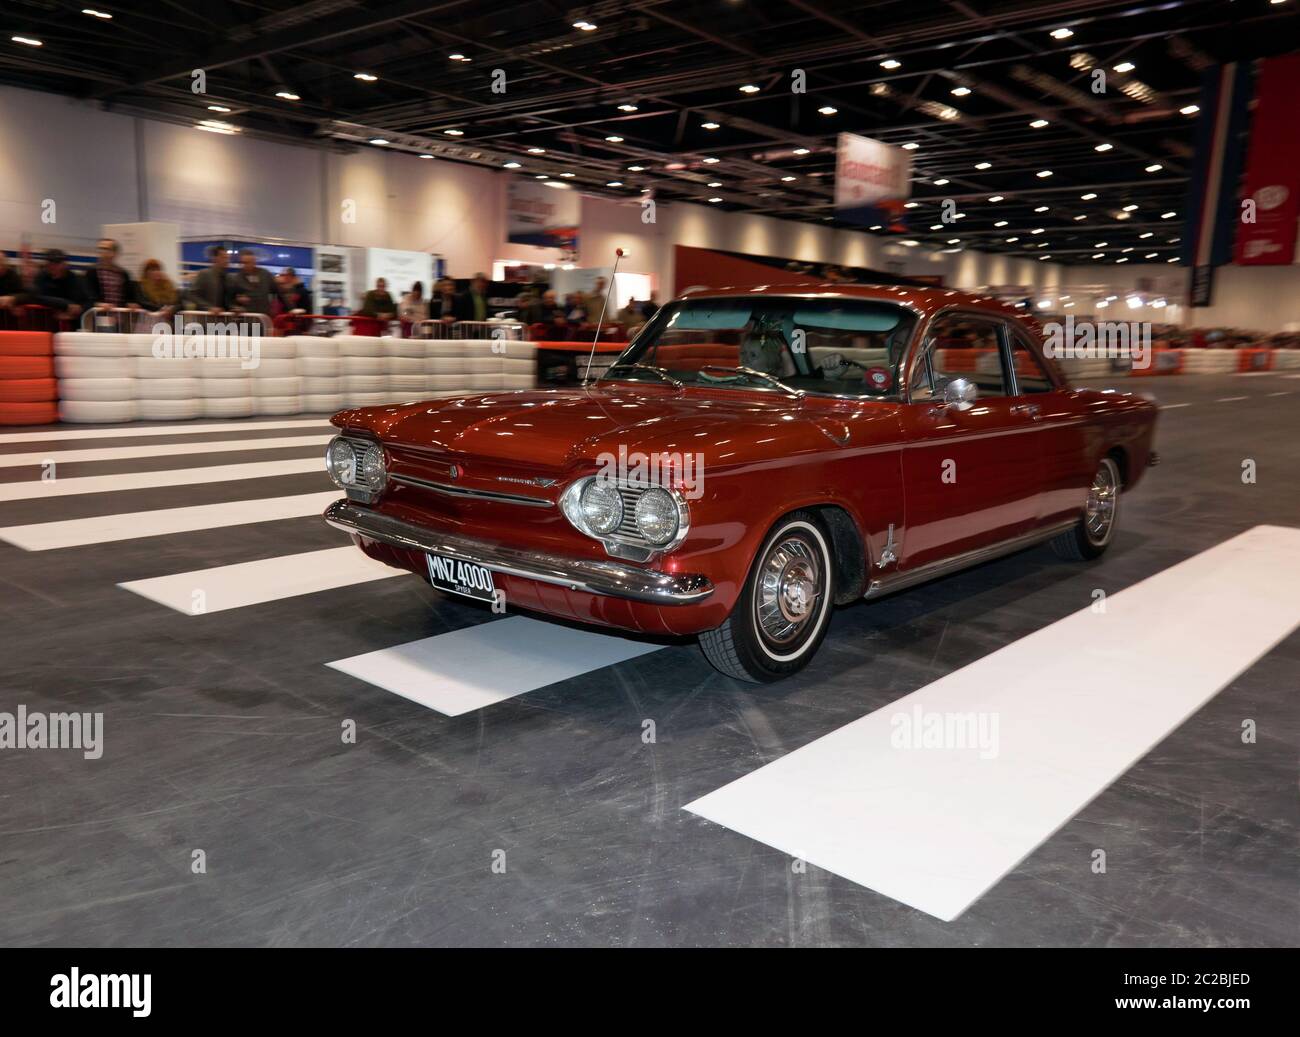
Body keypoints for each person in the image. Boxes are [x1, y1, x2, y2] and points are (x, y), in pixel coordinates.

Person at [84, 238, 138, 312]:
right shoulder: (92, 271)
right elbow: (87, 296)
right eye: (100, 249)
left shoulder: (123, 273)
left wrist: (131, 304)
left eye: (105, 249)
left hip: (119, 315)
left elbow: (129, 297)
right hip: (99, 314)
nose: (102, 252)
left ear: (114, 253)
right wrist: (98, 304)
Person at [33, 249, 88, 318]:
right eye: (50, 264)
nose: (53, 267)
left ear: (65, 264)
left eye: (56, 264)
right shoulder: (42, 277)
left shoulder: (75, 279)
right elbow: (36, 296)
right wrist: (66, 304)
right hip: (44, 319)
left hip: (69, 323)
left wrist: (78, 310)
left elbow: (87, 301)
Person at [228, 248, 276, 314]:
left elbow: (276, 291)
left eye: (247, 263)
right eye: (242, 263)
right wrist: (236, 304)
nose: (244, 265)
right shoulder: (236, 278)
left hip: (264, 315)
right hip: (246, 317)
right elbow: (229, 299)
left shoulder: (265, 274)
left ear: (254, 262)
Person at [188, 246, 231, 314]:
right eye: (224, 258)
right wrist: (208, 307)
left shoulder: (227, 277)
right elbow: (191, 294)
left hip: (223, 319)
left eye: (228, 258)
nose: (227, 261)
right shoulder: (204, 274)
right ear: (215, 259)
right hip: (205, 317)